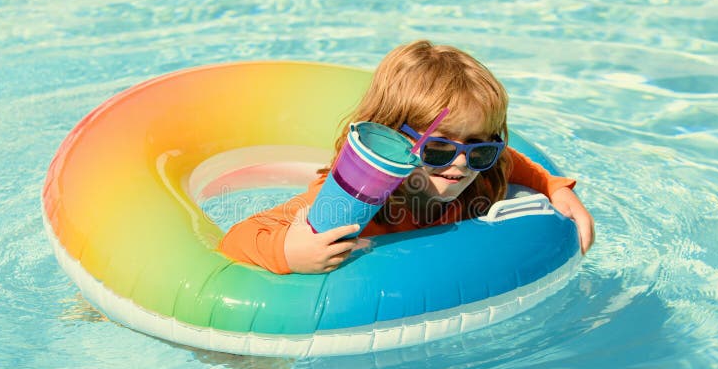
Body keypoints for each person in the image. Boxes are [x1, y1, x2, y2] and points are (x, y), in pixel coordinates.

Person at [219, 40, 594, 274]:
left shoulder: (481, 170)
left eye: (480, 149)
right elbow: (238, 238)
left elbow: (512, 161)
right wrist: (289, 252)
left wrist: (555, 187)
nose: (461, 164)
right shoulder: (349, 204)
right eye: (439, 148)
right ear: (390, 141)